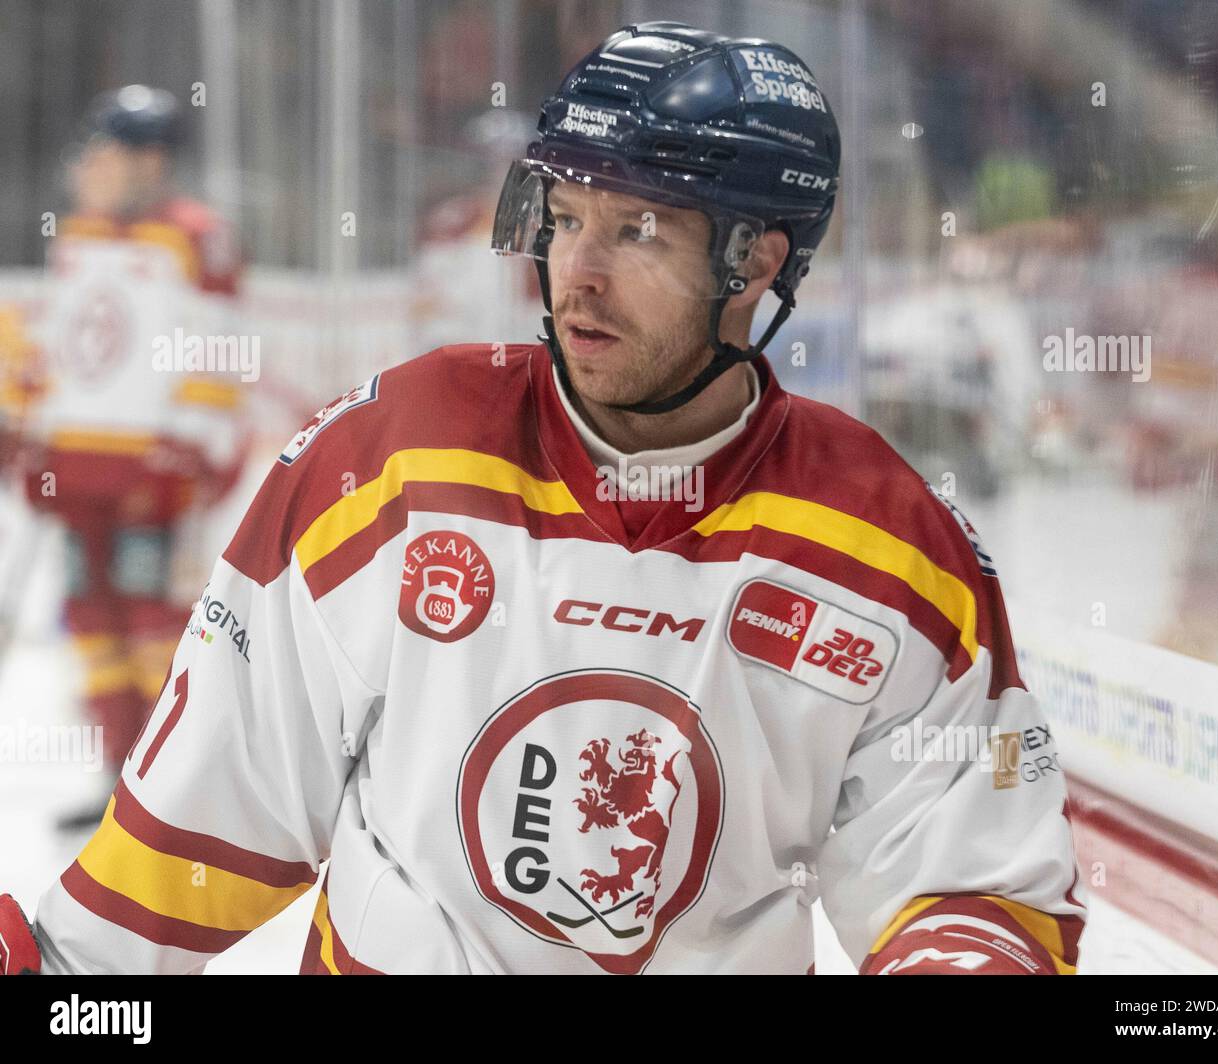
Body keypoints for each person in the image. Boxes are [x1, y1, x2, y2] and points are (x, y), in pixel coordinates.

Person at [0, 23, 1084, 975]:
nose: (577, 271)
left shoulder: (890, 541)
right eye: (565, 218)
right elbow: (216, 796)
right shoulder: (392, 456)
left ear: (755, 260)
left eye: (638, 231)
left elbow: (972, 880)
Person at [17, 85, 247, 832]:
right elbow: (65, 344)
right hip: (78, 468)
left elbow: (214, 349)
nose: (90, 167)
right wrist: (31, 433)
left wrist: (190, 453)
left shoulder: (193, 237)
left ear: (150, 160)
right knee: (91, 621)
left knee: (155, 622)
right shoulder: (79, 232)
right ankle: (119, 777)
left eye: (106, 152)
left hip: (152, 474)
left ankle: (168, 787)